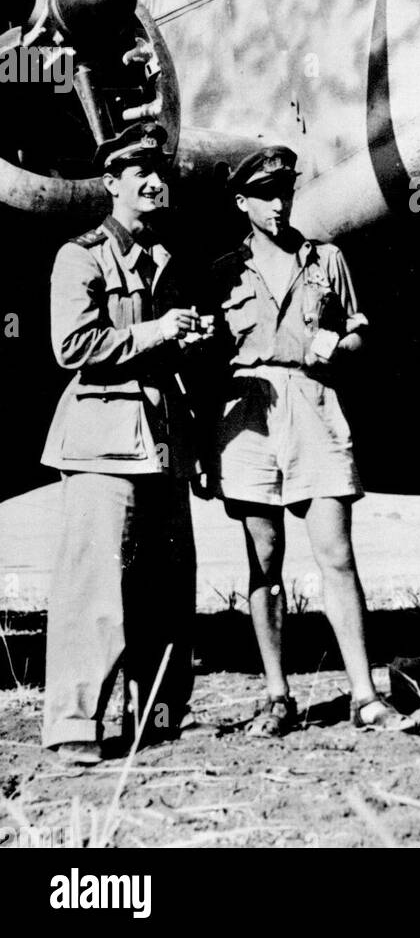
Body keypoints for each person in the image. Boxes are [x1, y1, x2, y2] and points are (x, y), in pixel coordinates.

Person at [213, 145, 407, 734]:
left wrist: (339, 348)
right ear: (243, 203)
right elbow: (206, 360)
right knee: (264, 562)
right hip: (247, 410)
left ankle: (365, 695)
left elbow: (359, 333)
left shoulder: (327, 258)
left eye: (286, 191)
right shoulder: (223, 269)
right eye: (265, 194)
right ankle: (277, 696)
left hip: (316, 404)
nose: (279, 203)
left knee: (337, 555)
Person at [41, 123, 214, 765]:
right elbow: (72, 346)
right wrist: (158, 332)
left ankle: (160, 715)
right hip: (101, 440)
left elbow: (167, 347)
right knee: (94, 584)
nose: (152, 180)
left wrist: (189, 336)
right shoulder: (79, 256)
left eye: (159, 169)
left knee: (166, 584)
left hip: (162, 437)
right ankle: (73, 724)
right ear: (111, 184)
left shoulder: (167, 258)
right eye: (137, 170)